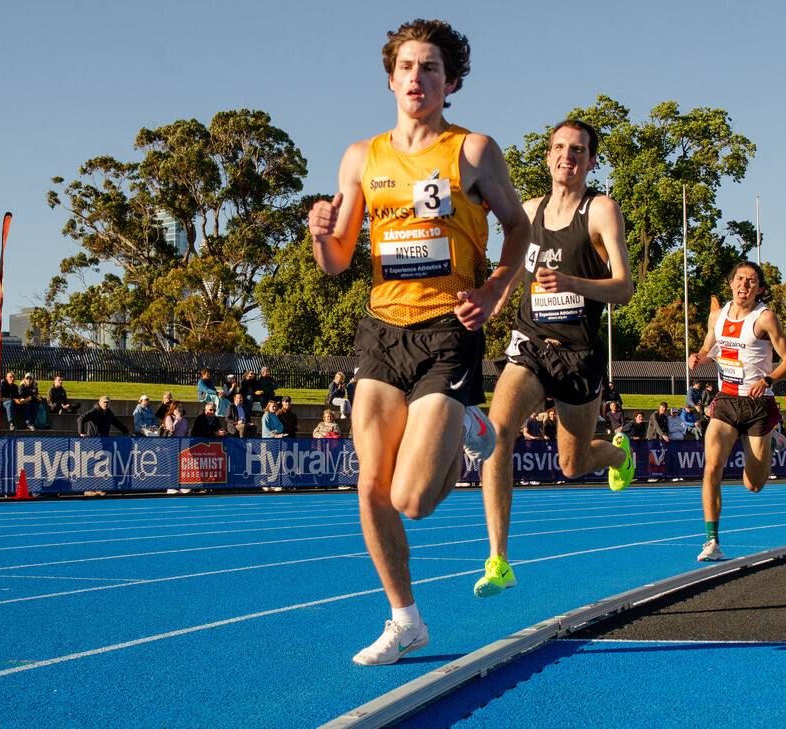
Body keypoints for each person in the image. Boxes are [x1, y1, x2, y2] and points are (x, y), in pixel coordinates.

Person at [307, 18, 532, 665]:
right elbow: (337, 258)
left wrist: (492, 291)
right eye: (406, 65)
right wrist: (324, 233)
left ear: (450, 81)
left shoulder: (473, 151)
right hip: (382, 331)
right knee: (371, 487)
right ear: (390, 77)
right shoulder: (362, 157)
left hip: (447, 331)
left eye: (430, 67)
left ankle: (466, 425)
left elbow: (516, 229)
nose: (416, 76)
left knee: (411, 499)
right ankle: (405, 618)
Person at [688, 261, 786, 562]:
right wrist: (700, 356)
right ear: (731, 283)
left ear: (759, 289)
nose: (744, 285)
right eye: (740, 279)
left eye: (751, 281)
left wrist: (768, 380)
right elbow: (711, 345)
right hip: (725, 401)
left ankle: (774, 440)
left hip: (758, 405)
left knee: (754, 485)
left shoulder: (765, 319)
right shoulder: (718, 314)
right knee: (711, 468)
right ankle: (712, 541)